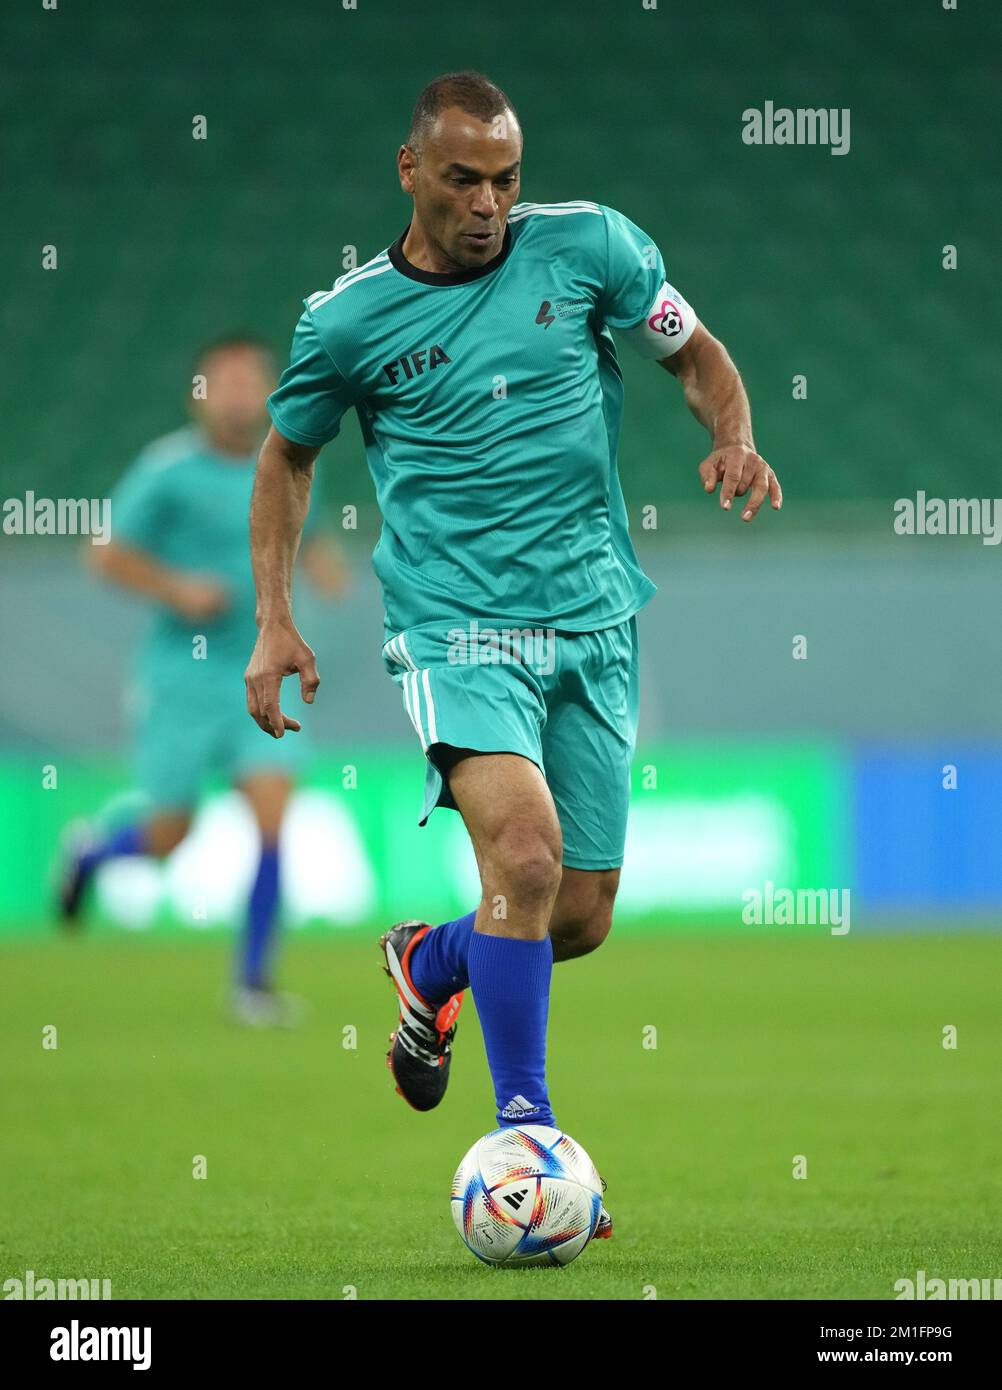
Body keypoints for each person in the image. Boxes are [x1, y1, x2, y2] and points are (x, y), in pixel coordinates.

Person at [244, 71, 782, 1220]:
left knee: (574, 914)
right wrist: (275, 616)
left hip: (593, 613)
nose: (488, 203)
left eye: (505, 179)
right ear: (410, 170)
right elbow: (288, 456)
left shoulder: (591, 248)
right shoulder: (346, 319)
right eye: (462, 179)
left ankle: (430, 961)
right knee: (526, 860)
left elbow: (695, 353)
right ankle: (525, 1138)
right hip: (455, 626)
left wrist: (734, 433)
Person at [59, 335, 349, 1026]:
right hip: (181, 678)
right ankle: (92, 852)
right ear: (200, 394)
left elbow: (304, 536)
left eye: (253, 382)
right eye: (226, 382)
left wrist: (322, 567)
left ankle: (252, 984)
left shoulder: (288, 459)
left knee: (274, 815)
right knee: (169, 837)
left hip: (260, 670)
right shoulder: (167, 470)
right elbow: (102, 555)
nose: (241, 395)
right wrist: (175, 586)